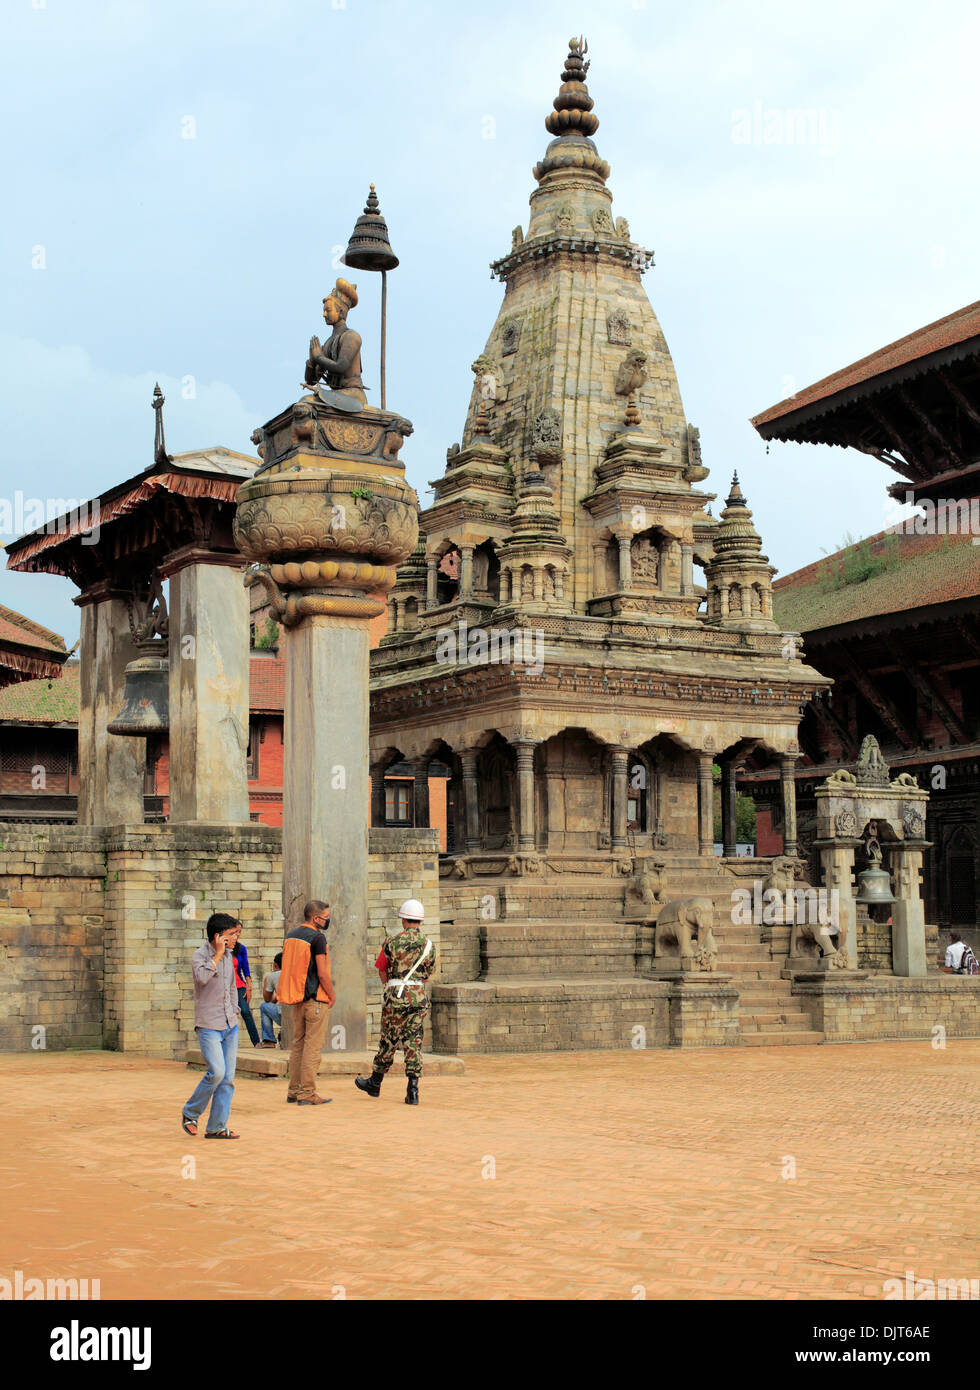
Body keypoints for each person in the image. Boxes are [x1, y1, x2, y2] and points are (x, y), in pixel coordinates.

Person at [355, 898, 435, 1106]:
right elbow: (427, 975)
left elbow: (381, 968)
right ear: (420, 921)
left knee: (389, 1040)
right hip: (418, 996)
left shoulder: (392, 941)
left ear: (403, 920)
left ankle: (375, 1082)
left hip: (396, 997)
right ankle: (413, 1090)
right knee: (414, 1041)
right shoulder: (428, 945)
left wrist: (389, 986)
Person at [181, 912, 241, 1139]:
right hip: (209, 1025)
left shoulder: (229, 956)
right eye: (230, 935)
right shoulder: (200, 956)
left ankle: (216, 1126)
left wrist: (235, 1009)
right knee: (216, 1072)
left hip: (229, 1024)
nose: (235, 938)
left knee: (227, 1079)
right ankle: (191, 1112)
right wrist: (216, 955)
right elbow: (202, 979)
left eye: (235, 934)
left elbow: (232, 986)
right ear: (217, 936)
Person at [278, 900, 336, 1105]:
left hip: (297, 999)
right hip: (315, 1000)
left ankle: (294, 1091)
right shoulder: (318, 938)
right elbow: (322, 972)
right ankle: (307, 1093)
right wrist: (331, 994)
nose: (327, 920)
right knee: (312, 1048)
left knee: (297, 1046)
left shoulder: (291, 936)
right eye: (326, 917)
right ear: (315, 918)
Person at [230, 922, 260, 1048]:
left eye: (239, 932)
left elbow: (245, 968)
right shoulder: (223, 948)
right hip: (225, 987)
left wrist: (249, 986)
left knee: (246, 1012)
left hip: (239, 985)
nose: (237, 934)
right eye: (235, 931)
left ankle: (257, 1042)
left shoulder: (241, 949)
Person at [260, 952, 282, 1048]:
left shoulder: (273, 976)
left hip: (283, 1015)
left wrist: (267, 981)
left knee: (264, 1006)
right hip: (301, 1014)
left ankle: (269, 1040)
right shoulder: (298, 972)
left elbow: (267, 999)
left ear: (275, 965)